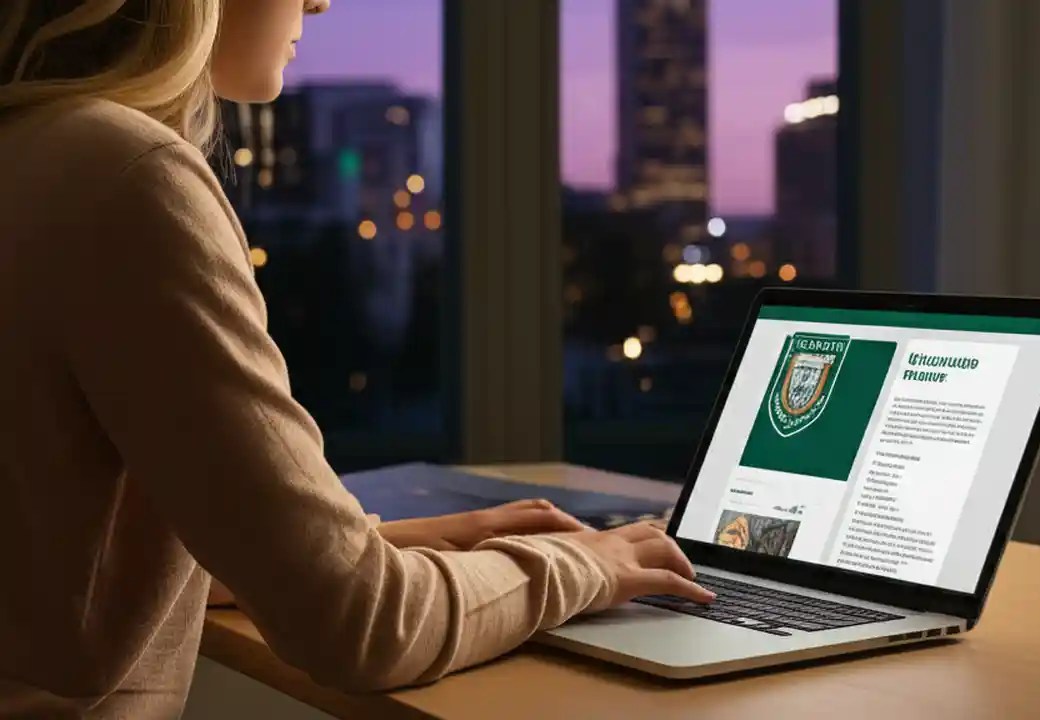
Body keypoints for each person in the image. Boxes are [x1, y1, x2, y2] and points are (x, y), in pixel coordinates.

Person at [0, 1, 713, 717]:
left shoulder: (35, 152)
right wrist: (588, 564)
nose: (320, 1)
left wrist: (383, 543)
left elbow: (66, 567)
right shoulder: (127, 177)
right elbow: (359, 625)